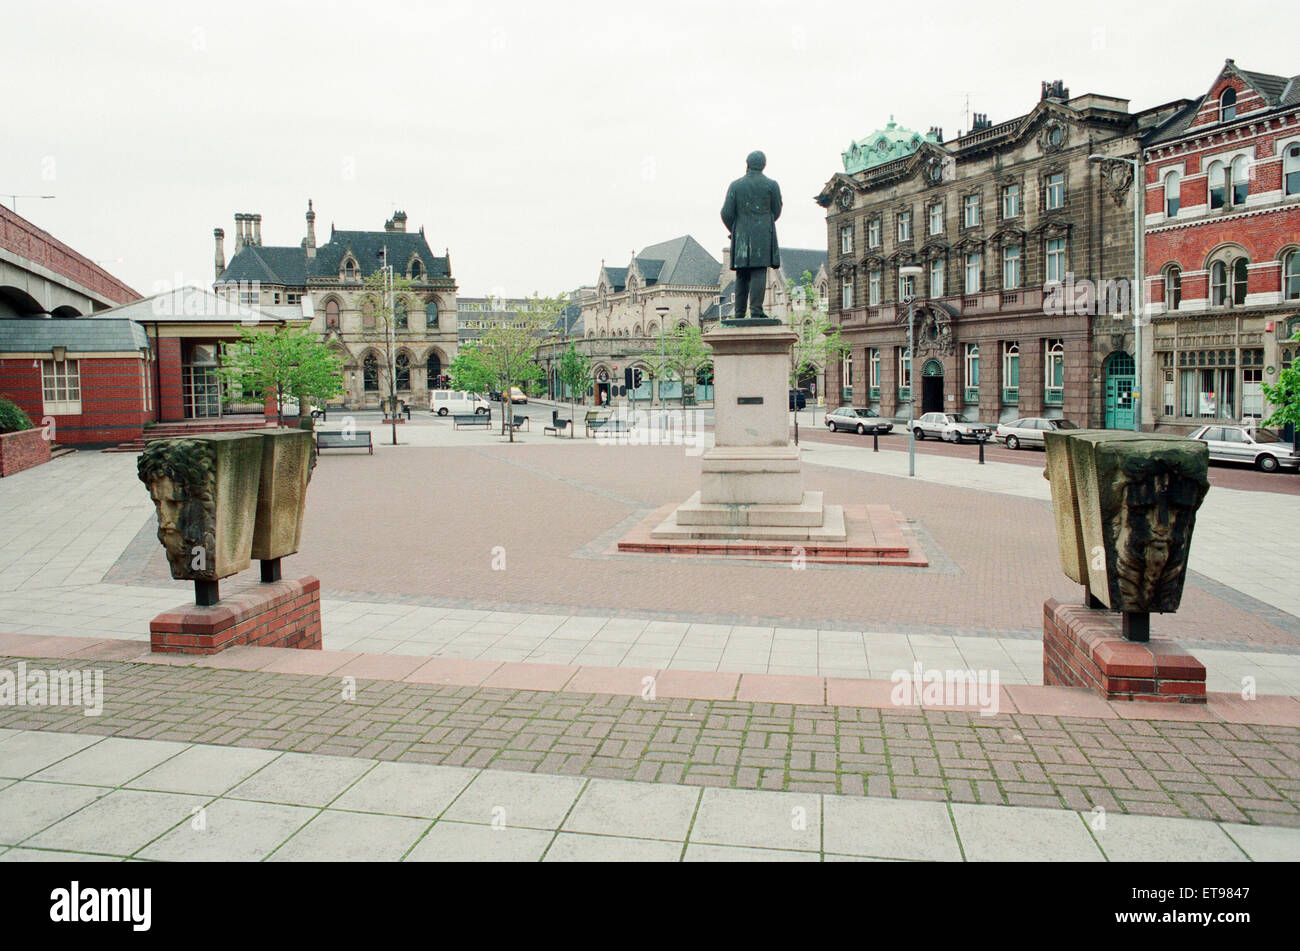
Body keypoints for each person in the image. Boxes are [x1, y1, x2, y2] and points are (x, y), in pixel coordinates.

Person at [720, 150, 782, 321]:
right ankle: (756, 310)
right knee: (758, 271)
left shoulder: (735, 185)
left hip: (741, 236)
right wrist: (762, 223)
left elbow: (725, 213)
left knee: (741, 274)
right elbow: (776, 211)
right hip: (762, 236)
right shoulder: (771, 185)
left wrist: (735, 230)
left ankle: (739, 313)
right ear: (764, 165)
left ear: (747, 164)